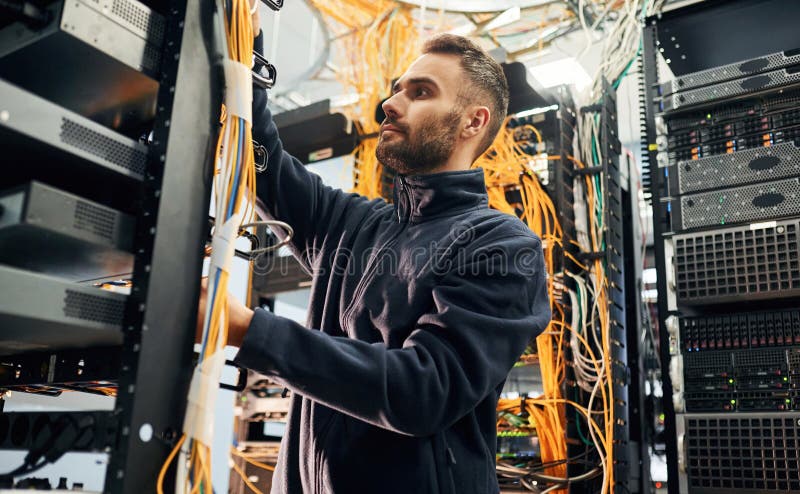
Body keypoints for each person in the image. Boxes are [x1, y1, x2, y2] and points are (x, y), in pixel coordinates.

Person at [200, 24, 551, 494]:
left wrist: (248, 329)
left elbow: (423, 389)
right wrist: (245, 39)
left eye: (421, 92)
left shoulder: (501, 246)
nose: (390, 103)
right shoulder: (353, 223)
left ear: (473, 122)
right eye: (396, 90)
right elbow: (257, 156)